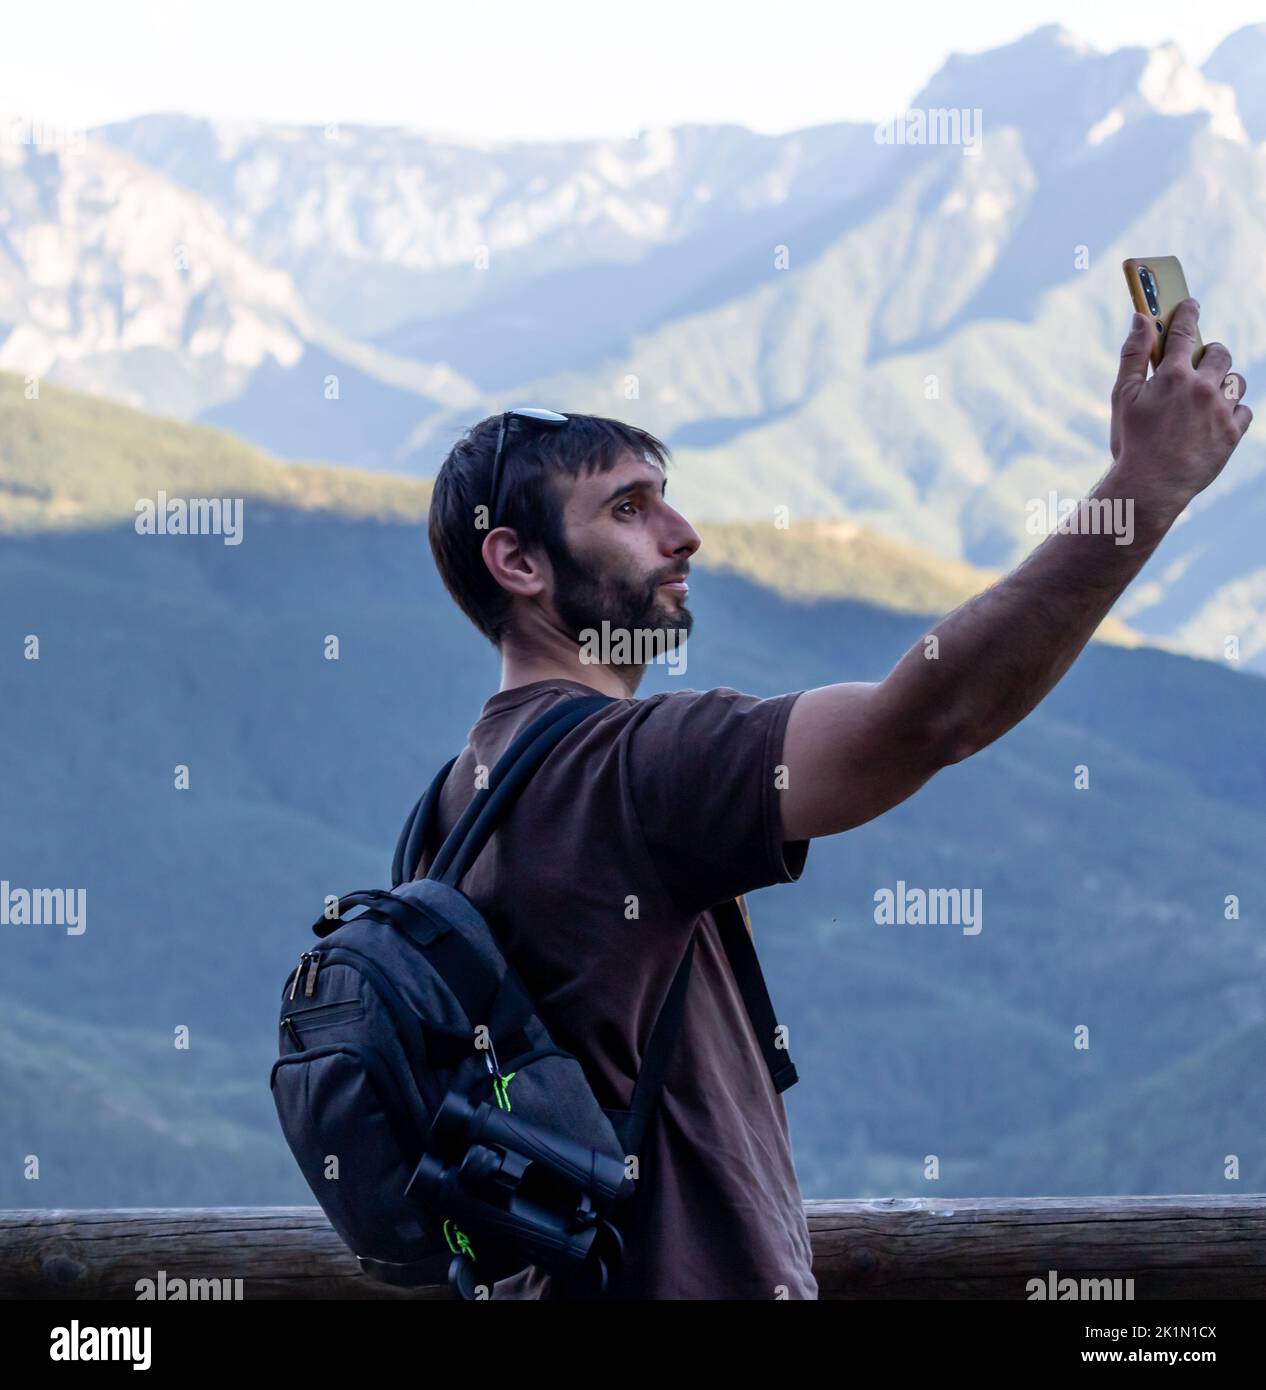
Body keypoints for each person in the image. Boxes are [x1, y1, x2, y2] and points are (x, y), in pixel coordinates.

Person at [416, 300, 1250, 1299]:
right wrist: (1144, 489)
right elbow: (927, 717)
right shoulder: (631, 767)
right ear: (517, 561)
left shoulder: (454, 800)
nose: (684, 537)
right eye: (630, 510)